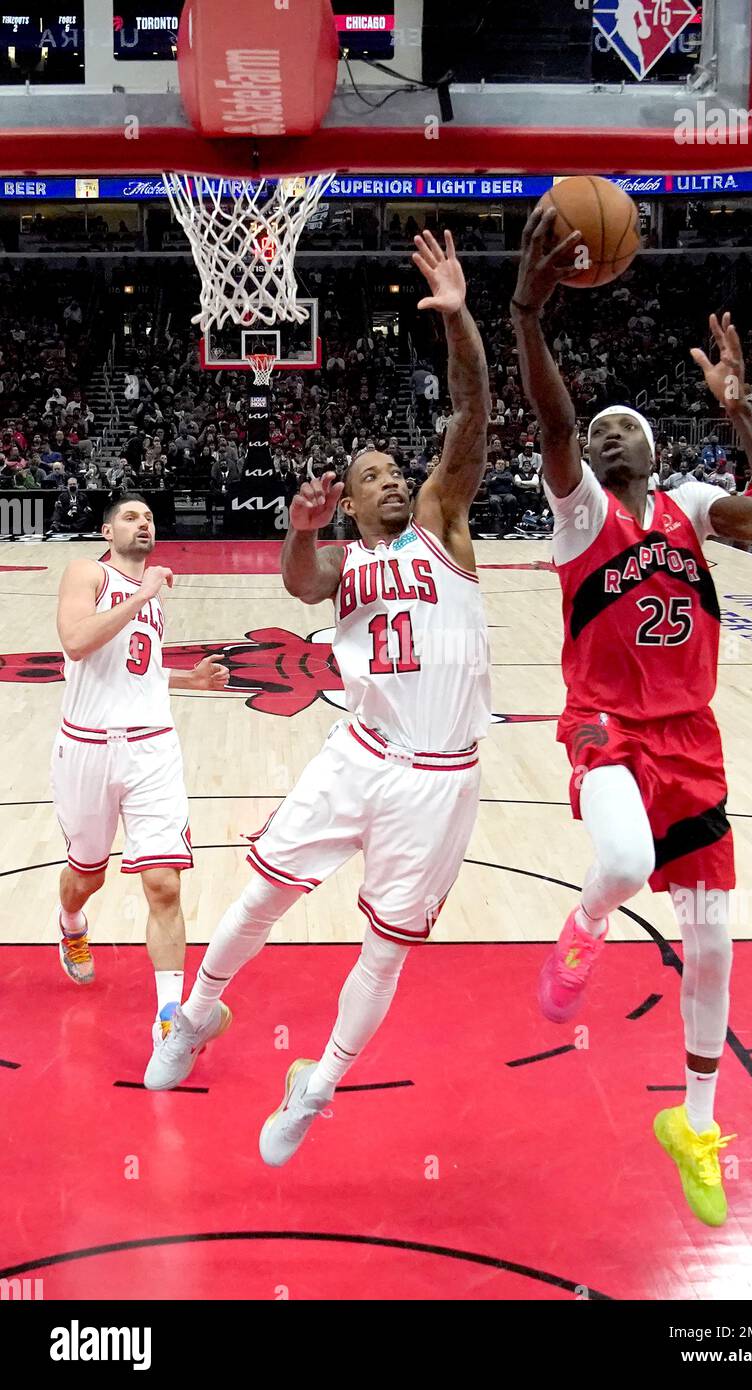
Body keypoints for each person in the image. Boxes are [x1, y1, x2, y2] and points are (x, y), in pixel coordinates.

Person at [144, 231, 493, 1179]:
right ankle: (196, 1014)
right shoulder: (346, 558)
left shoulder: (442, 528)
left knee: (384, 952)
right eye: (368, 473)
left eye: (394, 470)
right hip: (361, 752)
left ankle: (319, 1085)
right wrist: (299, 535)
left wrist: (458, 316)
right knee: (262, 891)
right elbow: (302, 587)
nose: (387, 478)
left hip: (440, 781)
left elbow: (472, 416)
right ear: (347, 499)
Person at [510, 205, 752, 1228]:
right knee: (625, 863)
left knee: (713, 940)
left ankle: (697, 1119)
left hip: (691, 737)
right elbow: (550, 421)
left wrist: (741, 413)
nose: (599, 434)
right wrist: (525, 317)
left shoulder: (688, 503)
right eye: (594, 431)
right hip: (605, 728)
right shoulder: (580, 508)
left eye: (617, 427)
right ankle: (582, 927)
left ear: (652, 444)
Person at [51, 494, 229, 1052]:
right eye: (130, 516)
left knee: (163, 883)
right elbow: (77, 642)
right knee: (87, 876)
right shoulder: (87, 572)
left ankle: (169, 1019)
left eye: (149, 516)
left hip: (152, 748)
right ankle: (71, 925)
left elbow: (139, 670)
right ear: (107, 530)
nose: (143, 522)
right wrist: (142, 594)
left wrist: (187, 681)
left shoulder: (151, 597)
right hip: (86, 747)